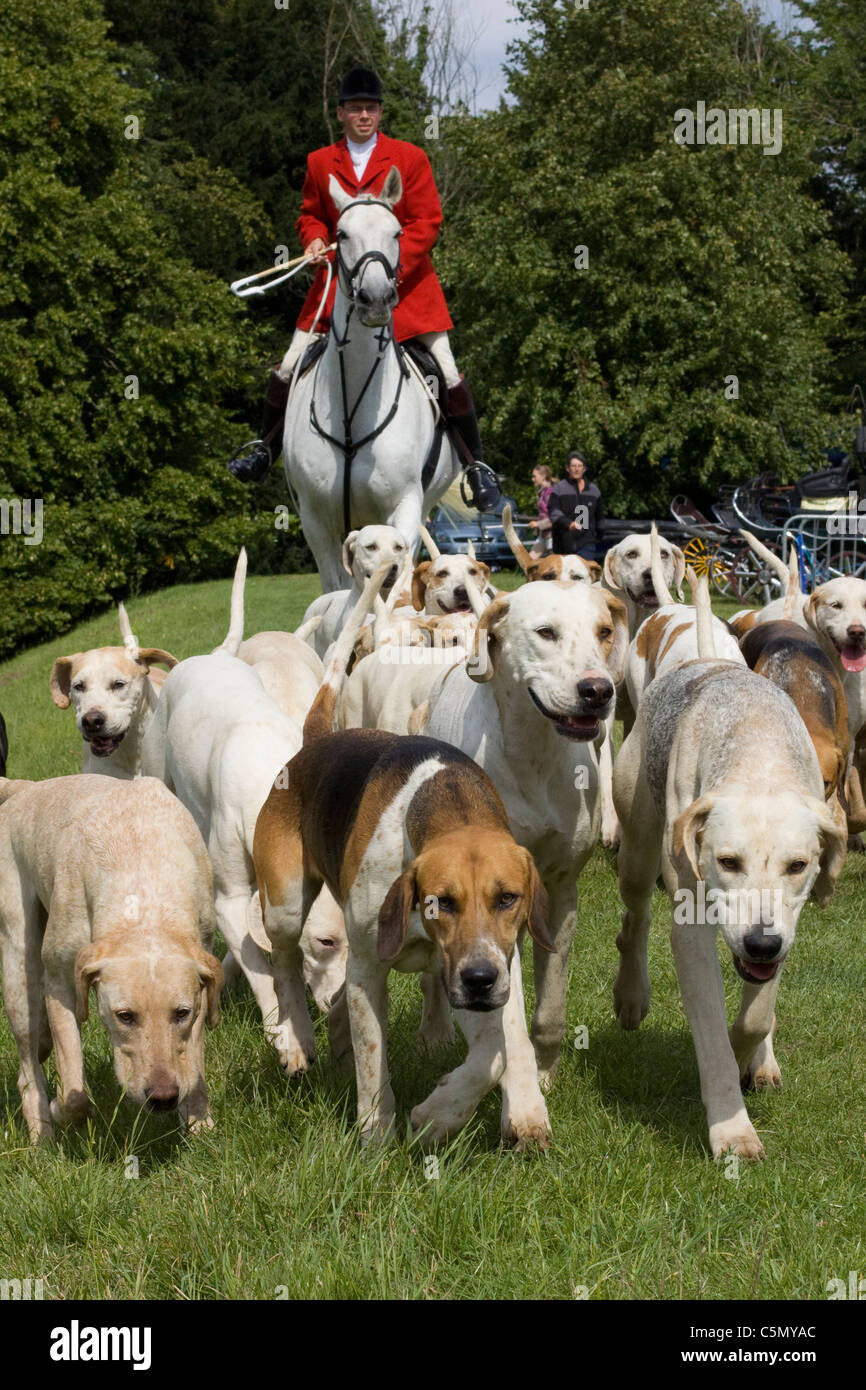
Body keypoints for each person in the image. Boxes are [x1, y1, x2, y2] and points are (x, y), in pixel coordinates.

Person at [228, 64, 502, 511]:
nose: (364, 115)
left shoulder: (409, 158)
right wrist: (314, 238)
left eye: (371, 108)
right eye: (355, 108)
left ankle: (477, 468)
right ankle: (264, 450)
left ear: (380, 113)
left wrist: (383, 270)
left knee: (448, 372)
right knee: (287, 367)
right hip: (334, 290)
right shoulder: (320, 162)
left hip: (407, 290)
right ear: (340, 113)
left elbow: (426, 222)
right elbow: (311, 213)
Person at [548, 450, 603, 558]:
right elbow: (554, 512)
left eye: (579, 466)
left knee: (583, 573)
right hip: (563, 543)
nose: (577, 469)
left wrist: (599, 536)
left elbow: (600, 517)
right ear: (568, 468)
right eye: (573, 466)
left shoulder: (594, 490)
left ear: (584, 469)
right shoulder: (559, 488)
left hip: (586, 543)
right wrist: (569, 523)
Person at [527, 464, 556, 558]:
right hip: (544, 535)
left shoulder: (550, 493)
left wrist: (538, 524)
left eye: (534, 476)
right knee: (529, 563)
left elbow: (555, 517)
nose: (532, 479)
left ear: (543, 476)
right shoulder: (542, 493)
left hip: (553, 536)